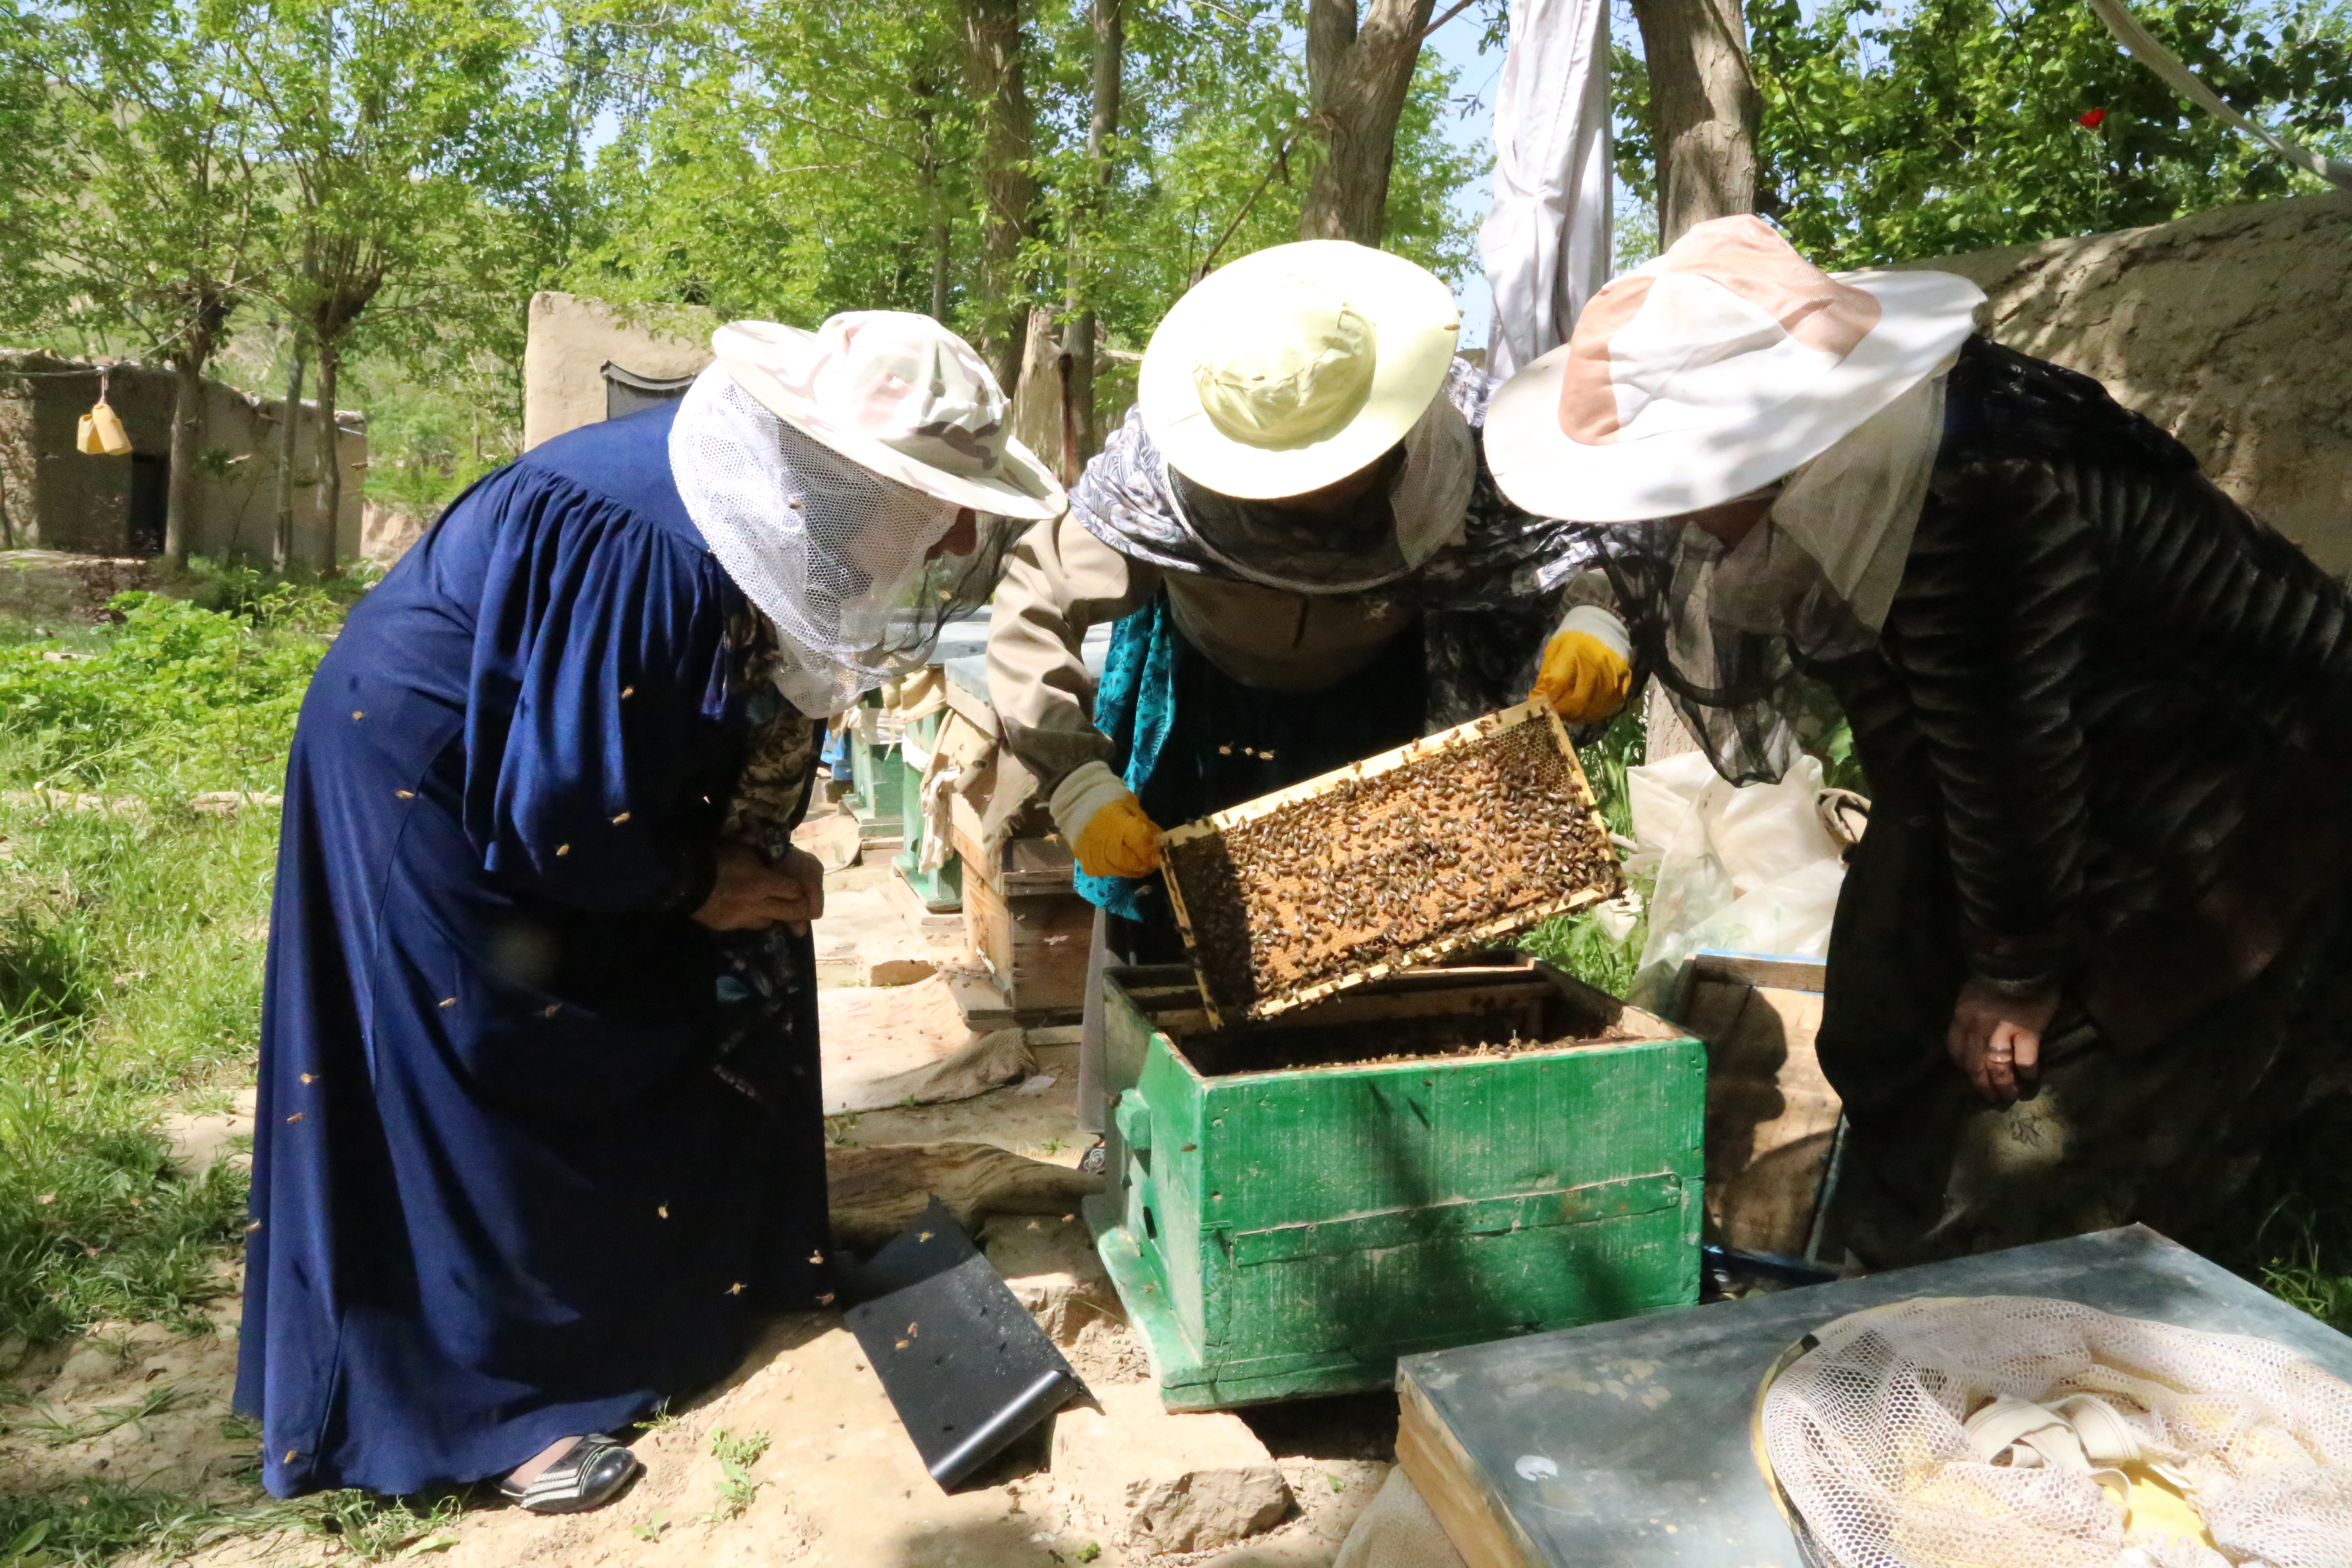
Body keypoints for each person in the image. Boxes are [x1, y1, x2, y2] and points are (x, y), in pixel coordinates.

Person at [236, 313, 1064, 1509]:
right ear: (843, 471)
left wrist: (740, 855)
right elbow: (564, 812)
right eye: (936, 499)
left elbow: (688, 719)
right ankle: (493, 1409)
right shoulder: (648, 541)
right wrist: (696, 881)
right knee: (489, 1050)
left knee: (729, 966)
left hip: (549, 780)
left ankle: (728, 1270)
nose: (960, 531)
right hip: (435, 784)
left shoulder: (755, 519)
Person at [1484, 214, 2352, 1266]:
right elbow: (1925, 739)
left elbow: (2012, 755)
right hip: (2049, 771)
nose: (1676, 515)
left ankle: (2031, 1292)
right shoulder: (1864, 474)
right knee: (1879, 1018)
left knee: (2040, 1159)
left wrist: (2016, 975)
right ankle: (1868, 1263)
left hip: (2242, 798)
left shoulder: (1973, 503)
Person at [986, 239, 1630, 1142]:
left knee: (1402, 949)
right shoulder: (1147, 477)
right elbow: (1031, 607)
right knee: (1172, 952)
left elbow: (1590, 530)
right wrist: (1076, 777)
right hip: (1205, 708)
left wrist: (1594, 615)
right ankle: (1165, 1152)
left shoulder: (1487, 438)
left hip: (1390, 710)